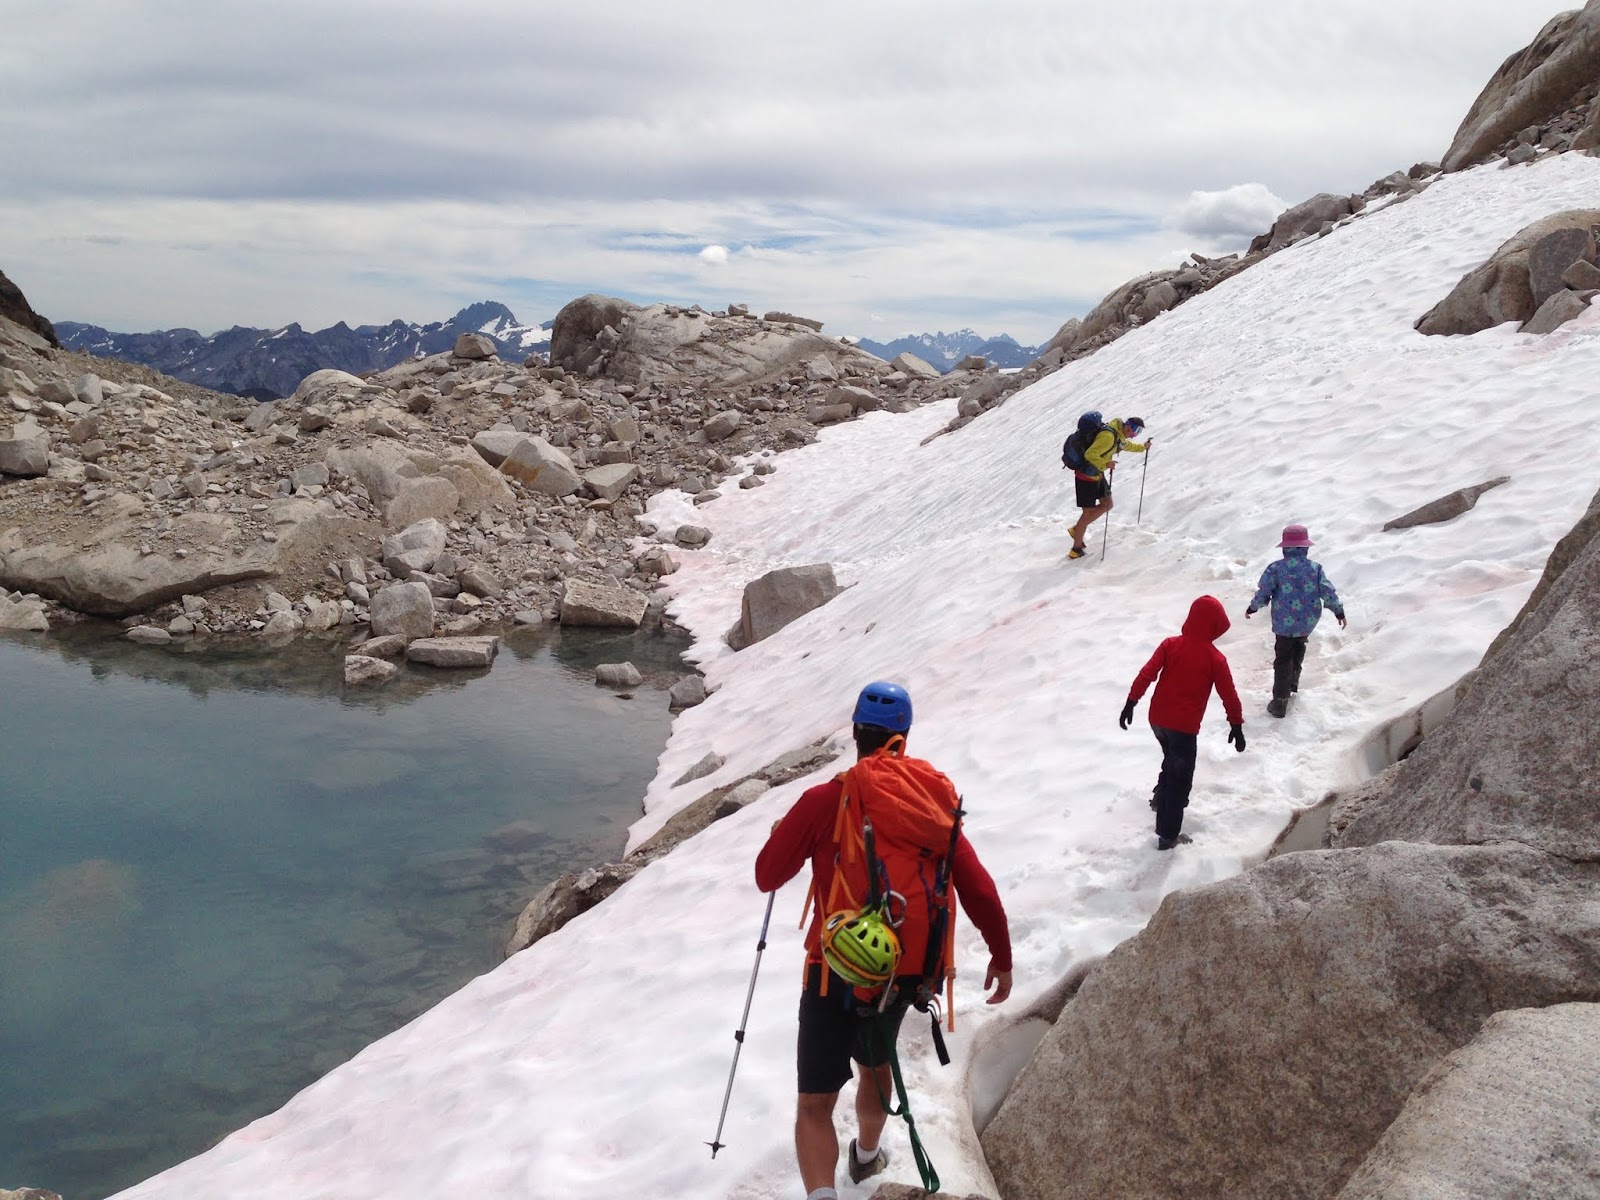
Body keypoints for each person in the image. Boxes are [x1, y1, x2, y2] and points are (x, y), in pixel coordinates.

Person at [755, 682, 1013, 1200]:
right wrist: (1001, 957)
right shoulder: (932, 803)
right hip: (901, 973)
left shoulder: (826, 799)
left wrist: (791, 830)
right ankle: (867, 1156)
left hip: (834, 970)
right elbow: (977, 885)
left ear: (854, 732)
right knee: (875, 1065)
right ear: (904, 736)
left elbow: (767, 874)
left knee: (814, 1103)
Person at [1119, 596, 1246, 850]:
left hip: (1158, 720)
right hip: (1183, 728)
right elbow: (1228, 694)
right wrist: (1236, 725)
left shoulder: (1171, 645)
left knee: (1172, 759)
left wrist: (1131, 702)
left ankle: (1159, 798)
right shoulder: (1215, 659)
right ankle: (1167, 836)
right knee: (1181, 779)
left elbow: (1147, 673)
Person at [1245, 524, 1347, 718]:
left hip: (1284, 622)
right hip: (1307, 621)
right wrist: (1339, 611)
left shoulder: (1276, 569)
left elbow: (1264, 592)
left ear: (1285, 547)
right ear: (1305, 547)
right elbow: (1328, 591)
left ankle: (1280, 701)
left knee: (1283, 657)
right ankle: (1292, 684)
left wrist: (1253, 607)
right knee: (1298, 647)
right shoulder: (1315, 569)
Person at [1068, 416, 1149, 559]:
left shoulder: (1118, 435)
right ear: (1127, 426)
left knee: (1107, 504)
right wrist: (1106, 464)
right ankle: (1075, 549)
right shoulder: (1108, 436)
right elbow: (1090, 454)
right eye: (1135, 431)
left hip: (1097, 475)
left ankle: (1078, 529)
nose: (1134, 434)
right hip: (1085, 477)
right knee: (1087, 513)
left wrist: (1142, 447)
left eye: (1138, 433)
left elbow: (1126, 445)